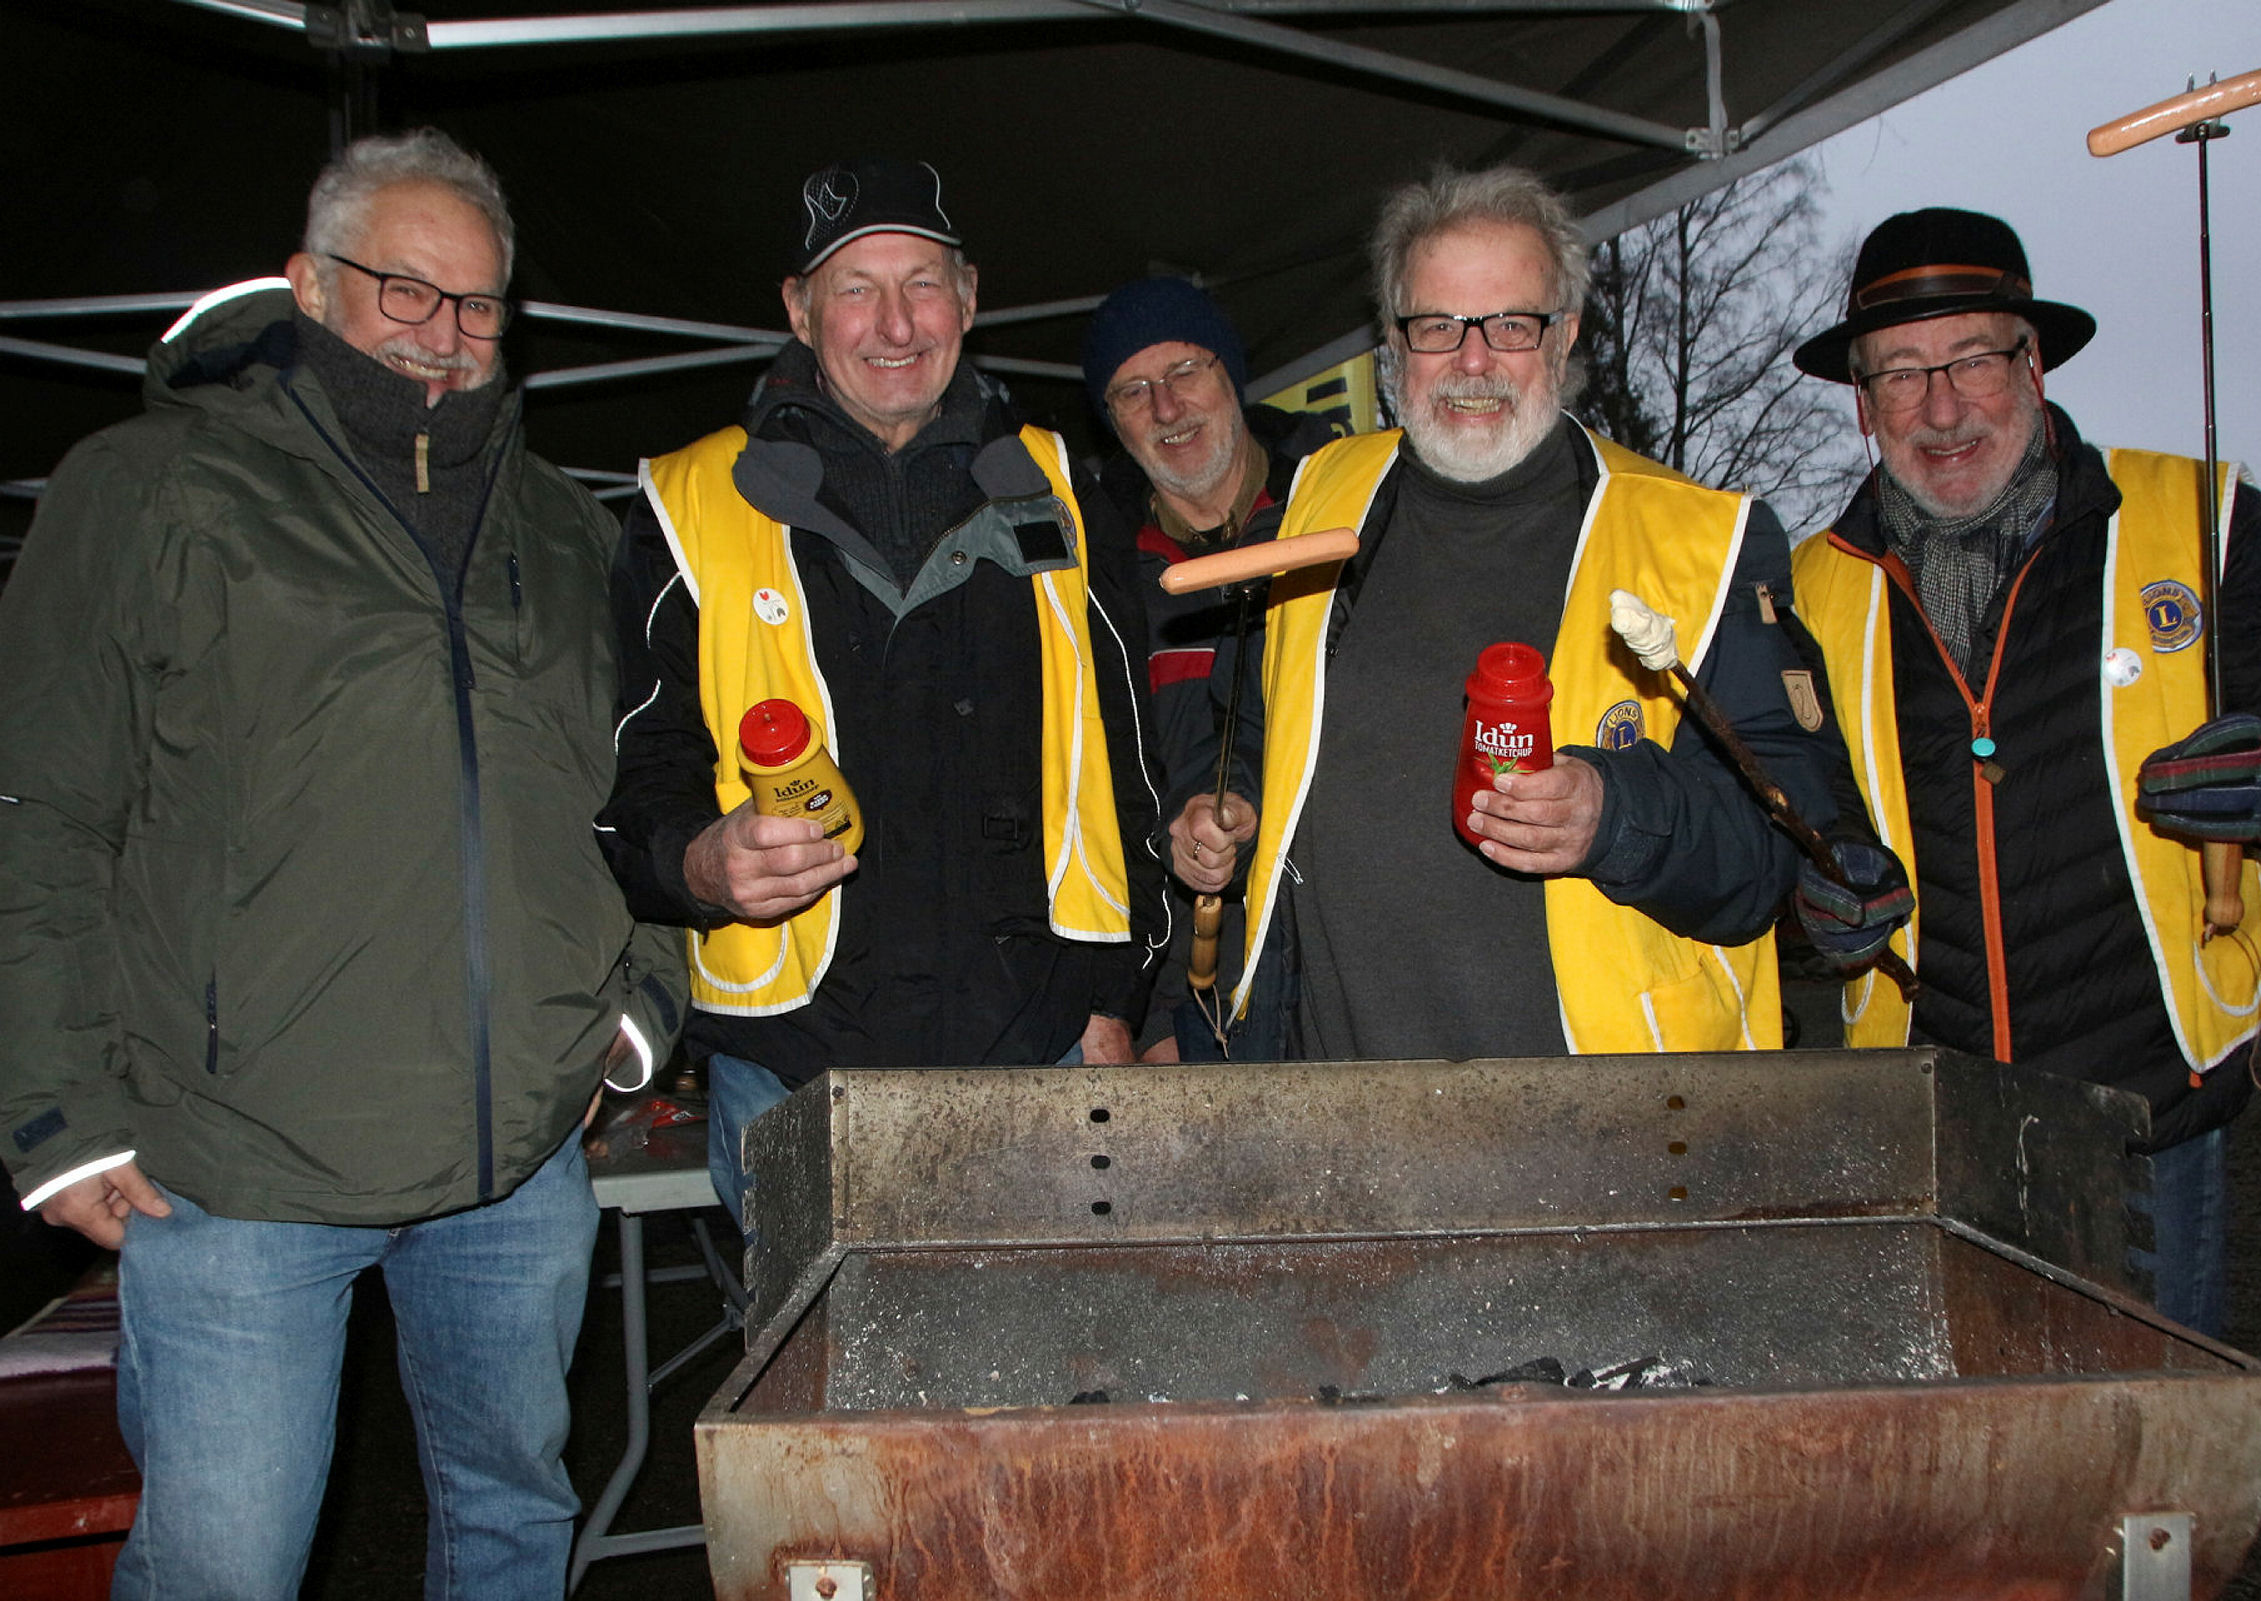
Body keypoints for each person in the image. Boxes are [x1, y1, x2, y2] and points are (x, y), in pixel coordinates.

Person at [0, 129, 684, 1598]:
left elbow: (645, 785)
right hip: (240, 1163)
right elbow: (36, 806)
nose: (443, 334)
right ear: (310, 285)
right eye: (402, 288)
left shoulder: (568, 528)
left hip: (514, 1162)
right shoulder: (149, 489)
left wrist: (632, 1006)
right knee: (226, 1564)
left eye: (480, 303)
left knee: (510, 1522)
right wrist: (54, 1113)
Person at [1786, 207, 2261, 1337]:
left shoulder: (2202, 525)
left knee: (2145, 1482)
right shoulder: (1806, 589)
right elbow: (1780, 832)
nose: (1943, 406)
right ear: (1862, 405)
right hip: (1925, 1121)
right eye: (1903, 374)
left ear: (2036, 361)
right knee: (1967, 1476)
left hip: (2143, 1112)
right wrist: (1811, 903)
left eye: (1973, 358)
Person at [1169, 166, 1875, 1060]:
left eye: (1511, 324)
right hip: (1340, 1110)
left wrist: (1616, 818)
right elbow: (1256, 719)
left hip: (1611, 1126)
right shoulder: (1321, 496)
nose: (1472, 361)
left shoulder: (1701, 537)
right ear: (1393, 341)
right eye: (1437, 326)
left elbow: (1782, 844)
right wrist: (1223, 804)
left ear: (1565, 333)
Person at [599, 159, 1163, 1230]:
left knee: (1044, 1389)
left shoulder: (1061, 489)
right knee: (833, 1394)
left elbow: (1127, 771)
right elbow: (633, 773)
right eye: (856, 287)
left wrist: (1112, 998)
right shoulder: (685, 503)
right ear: (799, 310)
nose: (895, 322)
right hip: (797, 1076)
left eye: (923, 282)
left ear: (971, 298)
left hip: (1037, 1057)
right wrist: (699, 860)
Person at [1078, 276, 1339, 1060]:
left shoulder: (1336, 517)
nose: (1167, 408)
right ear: (1112, 419)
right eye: (1133, 390)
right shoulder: (1095, 579)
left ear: (1230, 375)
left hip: (1335, 968)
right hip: (1183, 990)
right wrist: (1142, 1010)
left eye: (1187, 370)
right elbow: (1093, 804)